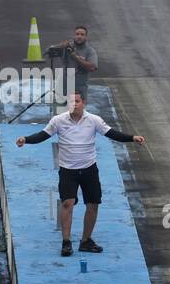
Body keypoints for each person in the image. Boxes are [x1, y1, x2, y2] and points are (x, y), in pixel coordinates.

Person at [14, 90, 145, 257]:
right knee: (67, 203)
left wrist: (132, 138)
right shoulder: (58, 121)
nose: (74, 104)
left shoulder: (94, 120)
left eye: (77, 101)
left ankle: (86, 241)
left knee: (92, 204)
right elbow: (43, 135)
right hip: (68, 170)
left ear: (84, 103)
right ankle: (66, 242)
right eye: (71, 102)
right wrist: (25, 139)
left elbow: (112, 133)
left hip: (89, 169)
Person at [49, 24, 98, 98]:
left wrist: (76, 57)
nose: (79, 36)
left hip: (79, 90)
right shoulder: (67, 47)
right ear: (74, 36)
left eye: (82, 34)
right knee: (60, 108)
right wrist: (60, 46)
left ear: (86, 37)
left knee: (78, 109)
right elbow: (50, 52)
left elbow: (92, 68)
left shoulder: (90, 51)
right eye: (77, 34)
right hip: (64, 87)